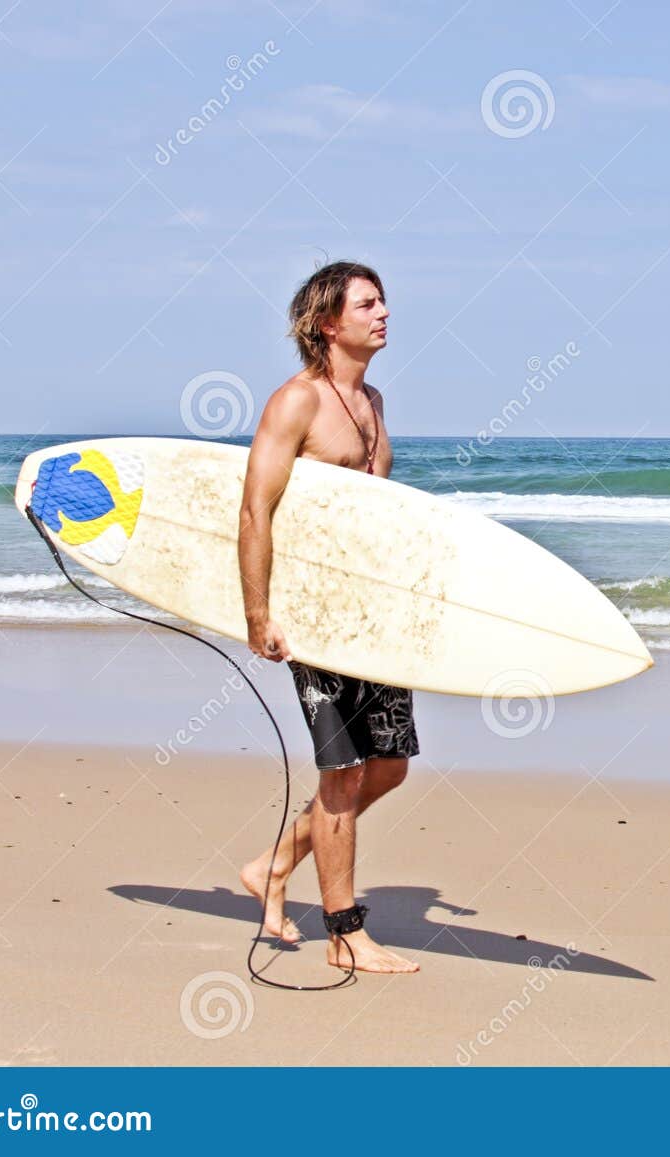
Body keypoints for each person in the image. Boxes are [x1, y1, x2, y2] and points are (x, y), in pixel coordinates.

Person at [236, 260, 420, 974]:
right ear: (327, 323)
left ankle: (273, 865)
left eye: (383, 301)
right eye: (367, 304)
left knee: (390, 766)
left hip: (370, 614)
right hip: (313, 612)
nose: (384, 312)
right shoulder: (297, 402)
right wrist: (259, 614)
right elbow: (255, 510)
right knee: (342, 772)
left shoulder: (373, 399)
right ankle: (344, 932)